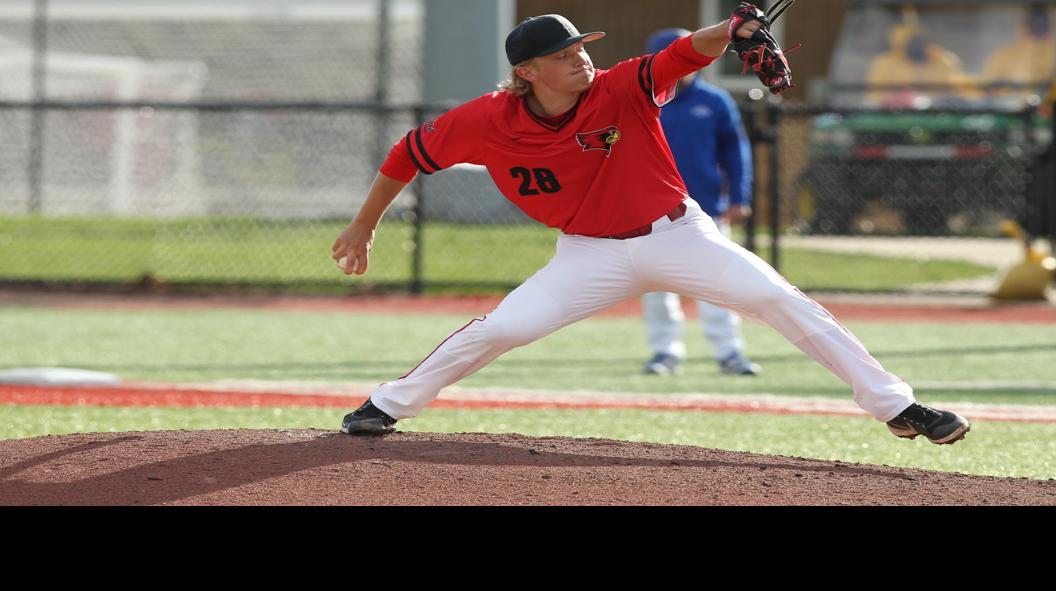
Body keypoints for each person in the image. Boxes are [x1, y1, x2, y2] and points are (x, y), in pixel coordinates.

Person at [331, 10, 970, 445]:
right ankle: (387, 405)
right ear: (527, 72)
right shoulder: (484, 119)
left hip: (677, 236)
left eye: (582, 46)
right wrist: (364, 226)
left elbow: (683, 53)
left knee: (777, 298)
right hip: (587, 255)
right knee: (505, 326)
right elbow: (406, 155)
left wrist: (734, 26)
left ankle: (897, 407)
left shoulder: (621, 87)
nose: (581, 57)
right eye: (564, 53)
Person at [637, 27, 760, 377]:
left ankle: (730, 352)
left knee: (720, 283)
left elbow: (737, 152)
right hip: (650, 211)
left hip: (706, 206)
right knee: (656, 286)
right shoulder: (642, 99)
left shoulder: (714, 101)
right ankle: (665, 352)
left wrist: (739, 196)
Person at [976, 3, 1056, 107]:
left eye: (1044, 21)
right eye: (1033, 21)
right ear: (1023, 24)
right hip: (1013, 117)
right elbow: (987, 89)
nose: (1038, 26)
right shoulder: (1004, 55)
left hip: (1054, 122)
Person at [865, 22, 977, 106]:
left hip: (937, 117)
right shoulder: (885, 63)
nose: (918, 46)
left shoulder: (944, 61)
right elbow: (875, 98)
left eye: (921, 41)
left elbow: (957, 91)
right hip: (893, 118)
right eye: (912, 42)